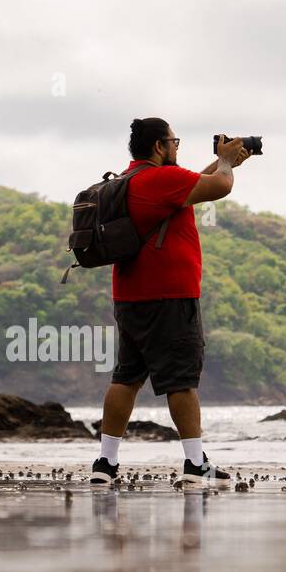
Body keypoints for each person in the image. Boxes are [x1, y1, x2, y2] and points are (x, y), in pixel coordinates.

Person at [90, 117, 250, 486]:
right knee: (180, 380)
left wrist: (226, 160)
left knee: (126, 377)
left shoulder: (128, 181)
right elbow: (220, 186)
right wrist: (225, 165)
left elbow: (196, 183)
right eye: (174, 142)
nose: (178, 148)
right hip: (169, 296)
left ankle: (105, 463)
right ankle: (195, 464)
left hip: (130, 296)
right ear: (160, 147)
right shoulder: (161, 180)